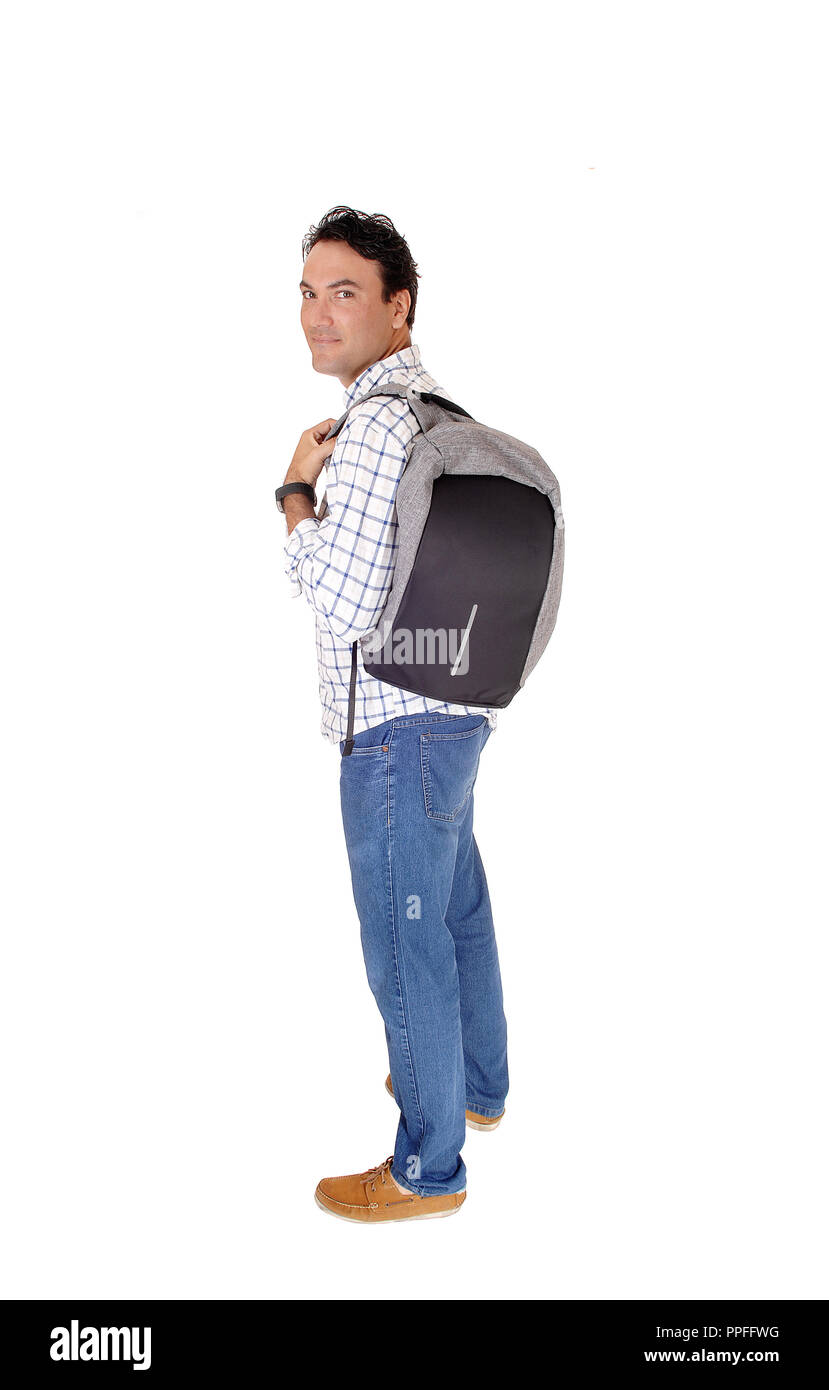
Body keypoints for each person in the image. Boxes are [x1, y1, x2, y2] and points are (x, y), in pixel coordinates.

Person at [279, 206, 508, 1223]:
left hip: (390, 725)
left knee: (403, 939)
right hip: (454, 705)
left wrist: (293, 492)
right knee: (456, 911)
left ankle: (428, 1166)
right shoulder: (436, 412)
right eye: (306, 291)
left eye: (344, 292)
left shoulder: (371, 426)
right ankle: (477, 1087)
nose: (317, 315)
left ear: (397, 306)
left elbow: (340, 593)